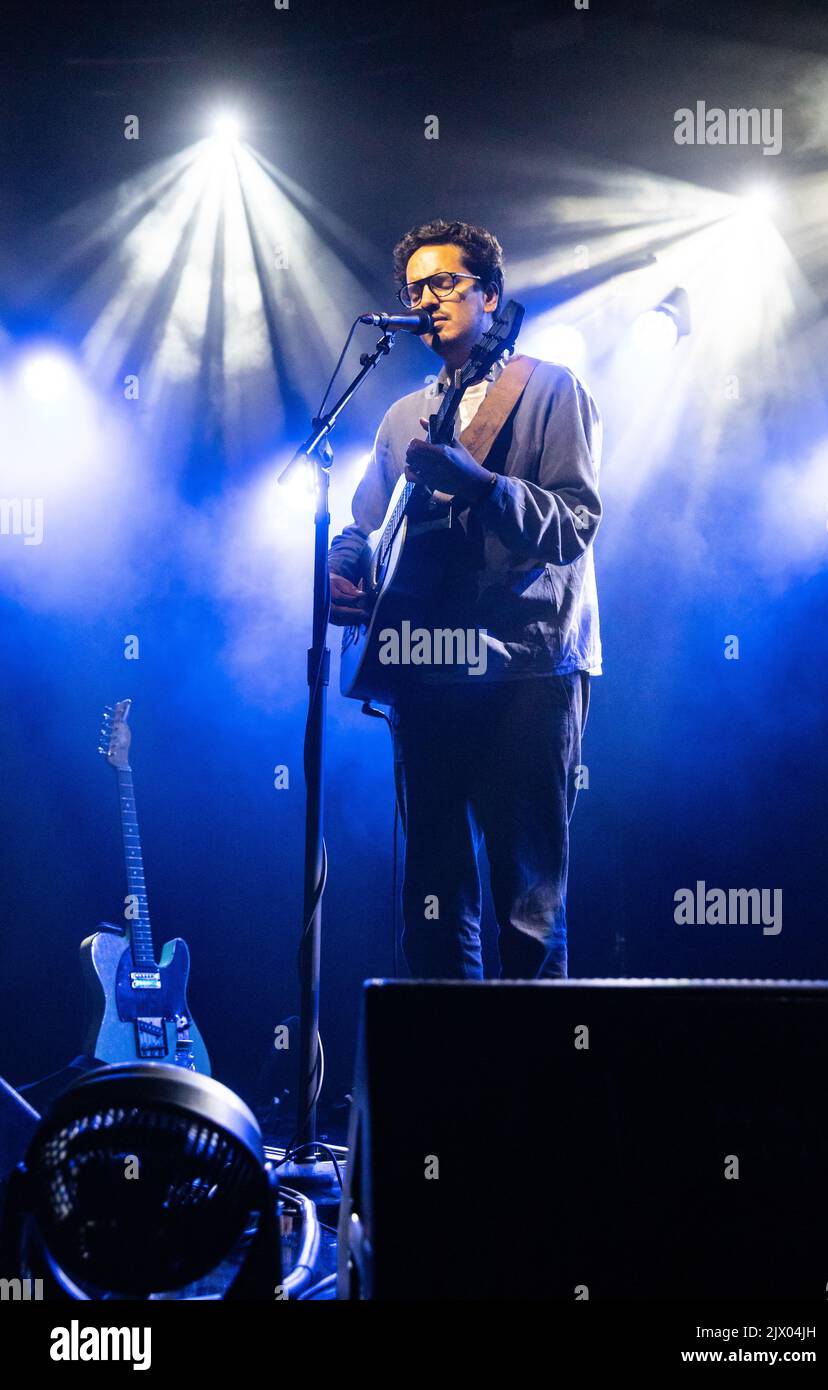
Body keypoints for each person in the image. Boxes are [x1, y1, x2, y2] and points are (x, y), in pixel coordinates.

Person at [328, 218, 602, 979]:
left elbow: (575, 523)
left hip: (527, 664)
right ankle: (450, 1083)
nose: (427, 300)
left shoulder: (550, 388)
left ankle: (539, 1085)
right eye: (416, 289)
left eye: (445, 283)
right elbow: (362, 521)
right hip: (429, 669)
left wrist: (480, 486)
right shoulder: (400, 417)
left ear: (488, 294)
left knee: (527, 901)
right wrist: (344, 565)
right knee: (433, 897)